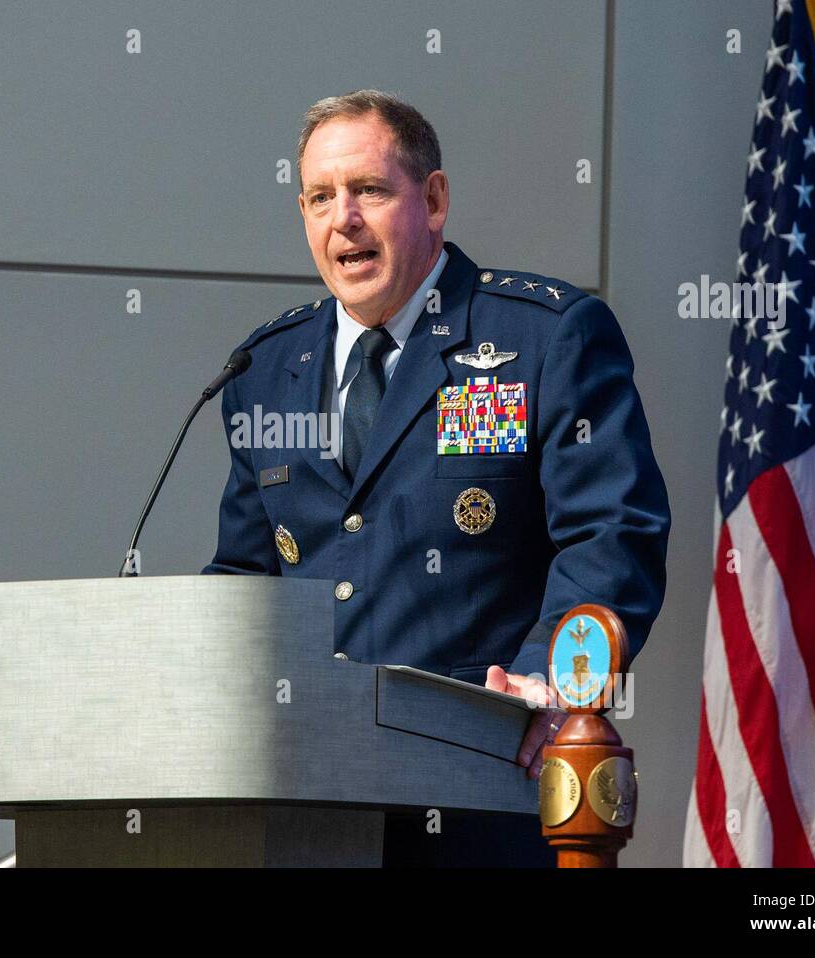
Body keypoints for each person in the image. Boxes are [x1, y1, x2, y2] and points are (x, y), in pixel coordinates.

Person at [201, 89, 670, 866]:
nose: (342, 217)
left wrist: (552, 684)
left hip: (480, 788)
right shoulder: (266, 368)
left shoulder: (544, 336)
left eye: (370, 191)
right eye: (320, 197)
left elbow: (612, 535)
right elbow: (246, 580)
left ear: (436, 199)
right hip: (301, 808)